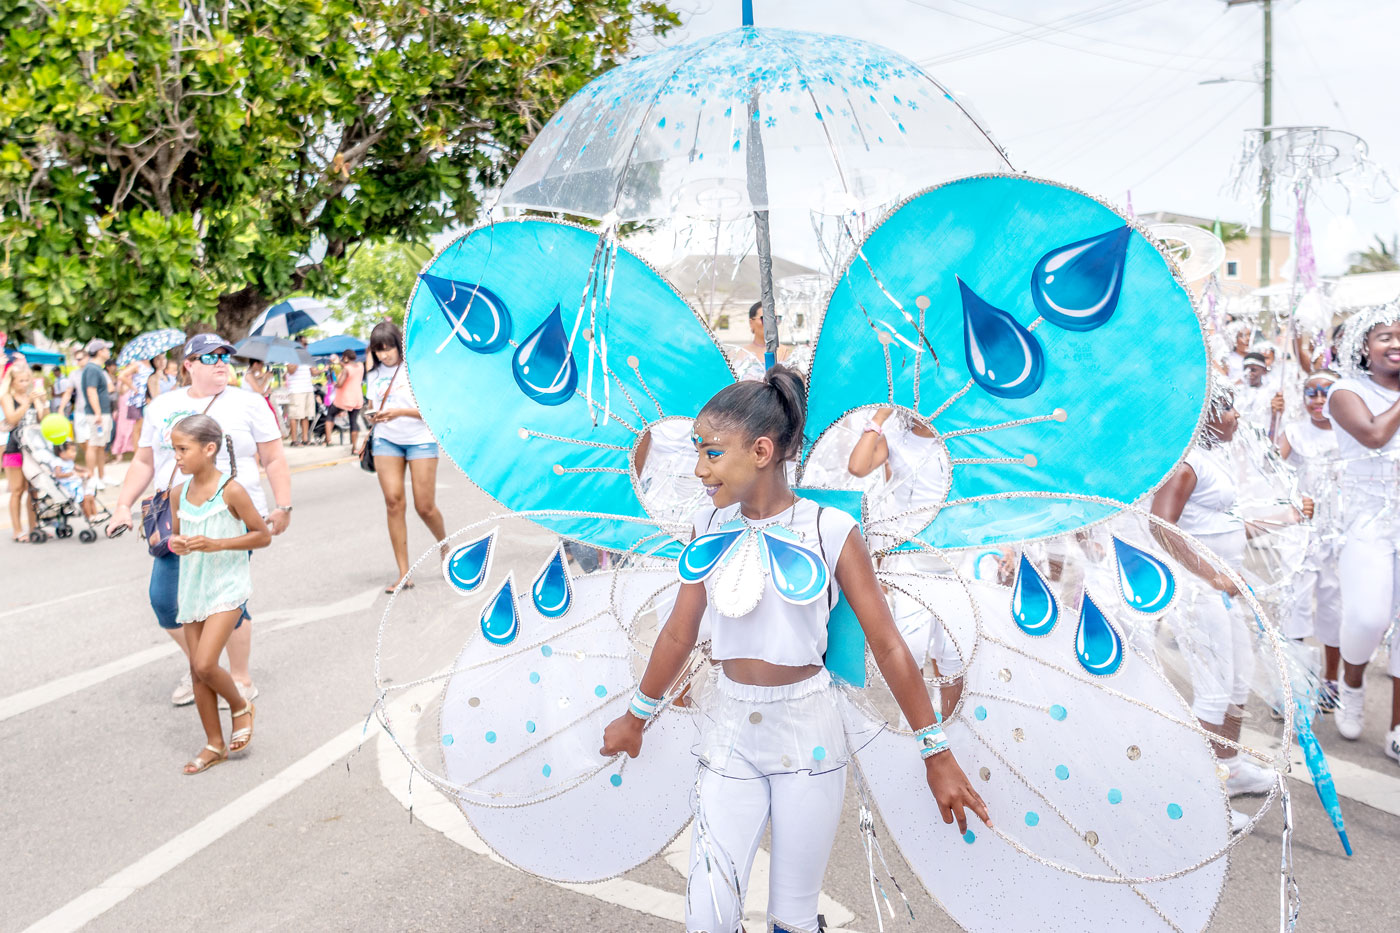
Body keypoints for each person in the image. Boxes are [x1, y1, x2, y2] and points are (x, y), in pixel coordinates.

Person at [598, 367, 989, 933]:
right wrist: (637, 715)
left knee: (793, 918)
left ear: (761, 451)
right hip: (729, 732)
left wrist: (937, 751)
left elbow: (887, 643)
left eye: (710, 453)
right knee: (707, 914)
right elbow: (681, 633)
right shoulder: (707, 523)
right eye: (696, 453)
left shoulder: (831, 528)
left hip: (808, 738)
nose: (698, 469)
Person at [108, 334, 292, 707]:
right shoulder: (162, 406)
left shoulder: (250, 403)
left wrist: (283, 506)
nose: (221, 362)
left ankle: (238, 678)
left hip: (230, 515)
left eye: (225, 356)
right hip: (174, 516)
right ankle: (202, 668)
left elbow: (273, 458)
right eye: (210, 358)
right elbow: (144, 461)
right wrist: (122, 504)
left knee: (225, 599)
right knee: (165, 601)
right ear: (188, 366)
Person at [1150, 389, 1281, 817]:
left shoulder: (1213, 458)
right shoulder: (1185, 464)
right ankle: (1199, 797)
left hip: (1225, 591)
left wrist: (1287, 516)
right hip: (1198, 595)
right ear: (1204, 416)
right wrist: (1210, 575)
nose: (1236, 414)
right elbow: (1161, 526)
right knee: (1213, 690)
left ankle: (1229, 767)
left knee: (1239, 680)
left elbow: (1223, 523)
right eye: (1226, 407)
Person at [166, 413, 271, 773]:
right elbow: (178, 537)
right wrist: (176, 543)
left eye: (182, 449)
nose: (176, 457)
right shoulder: (178, 493)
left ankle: (240, 707)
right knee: (197, 674)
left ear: (209, 449)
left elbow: (262, 535)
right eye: (174, 449)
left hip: (227, 585)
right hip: (193, 586)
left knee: (205, 664)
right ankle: (214, 744)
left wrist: (218, 543)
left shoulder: (232, 490)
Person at [1322, 308, 1400, 761]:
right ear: (1363, 347)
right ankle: (1352, 683)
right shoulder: (1346, 390)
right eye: (1385, 336)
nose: (1395, 344)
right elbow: (1373, 436)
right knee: (1368, 618)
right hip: (1368, 521)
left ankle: (1396, 724)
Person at [356, 322, 448, 592]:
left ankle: (445, 545)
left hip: (420, 439)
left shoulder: (415, 369)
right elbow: (374, 406)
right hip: (386, 440)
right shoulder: (372, 374)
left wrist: (399, 412)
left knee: (425, 507)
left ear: (399, 345)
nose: (385, 355)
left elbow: (431, 411)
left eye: (389, 349)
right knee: (393, 503)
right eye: (379, 350)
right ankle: (403, 572)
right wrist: (376, 415)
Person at [1277, 370, 1343, 703]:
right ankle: (1293, 686)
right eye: (1311, 393)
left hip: (1340, 535)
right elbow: (1271, 468)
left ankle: (1332, 681)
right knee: (1296, 606)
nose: (1318, 401)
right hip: (1300, 532)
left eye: (1326, 393)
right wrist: (1275, 419)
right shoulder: (1294, 432)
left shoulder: (1352, 433)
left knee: (1334, 606)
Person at [2, 361, 41, 542]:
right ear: (12, 382)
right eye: (21, 381)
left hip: (32, 448)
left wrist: (42, 402)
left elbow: (43, 418)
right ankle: (18, 530)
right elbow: (12, 418)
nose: (25, 384)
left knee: (33, 489)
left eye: (27, 380)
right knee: (17, 490)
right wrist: (27, 403)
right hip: (14, 448)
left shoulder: (32, 396)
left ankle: (34, 527)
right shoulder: (7, 397)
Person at [76, 338, 114, 482]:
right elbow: (91, 391)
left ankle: (102, 476)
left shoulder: (96, 368)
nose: (108, 352)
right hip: (97, 413)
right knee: (93, 444)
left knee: (100, 445)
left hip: (102, 412)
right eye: (106, 349)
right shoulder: (91, 368)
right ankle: (92, 476)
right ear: (100, 351)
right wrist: (97, 412)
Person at [728, 301, 791, 381]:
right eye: (765, 318)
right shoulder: (737, 354)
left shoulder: (784, 352)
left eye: (775, 319)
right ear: (751, 323)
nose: (771, 323)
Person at [324, 349, 364, 447]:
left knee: (330, 414)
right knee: (353, 421)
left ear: (346, 357)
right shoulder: (360, 366)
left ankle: (328, 440)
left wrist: (335, 384)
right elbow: (348, 366)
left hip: (344, 398)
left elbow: (340, 384)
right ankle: (354, 447)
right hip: (357, 398)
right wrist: (340, 363)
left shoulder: (346, 369)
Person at [51, 442, 100, 520]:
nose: (75, 453)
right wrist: (72, 474)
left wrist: (86, 470)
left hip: (77, 483)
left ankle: (96, 514)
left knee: (90, 496)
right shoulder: (58, 462)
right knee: (85, 498)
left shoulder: (69, 461)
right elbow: (58, 475)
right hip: (69, 486)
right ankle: (89, 516)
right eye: (72, 451)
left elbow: (77, 467)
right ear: (62, 454)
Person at [285, 336, 315, 446]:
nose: (306, 346)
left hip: (308, 388)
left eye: (307, 344)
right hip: (296, 390)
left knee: (306, 415)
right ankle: (294, 440)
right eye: (304, 343)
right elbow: (290, 370)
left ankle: (305, 439)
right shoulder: (291, 356)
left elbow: (313, 372)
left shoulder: (307, 356)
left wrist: (322, 370)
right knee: (295, 415)